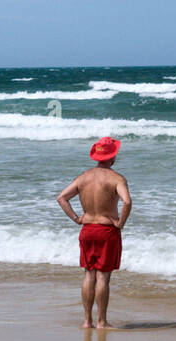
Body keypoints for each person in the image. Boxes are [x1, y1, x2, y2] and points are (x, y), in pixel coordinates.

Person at [56, 136, 131, 329]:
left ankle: (87, 320)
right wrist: (120, 222)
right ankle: (102, 321)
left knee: (89, 275)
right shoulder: (117, 179)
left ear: (97, 157)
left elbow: (62, 197)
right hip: (106, 230)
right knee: (103, 277)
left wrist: (76, 218)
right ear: (113, 158)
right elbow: (127, 202)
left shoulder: (84, 178)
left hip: (87, 229)